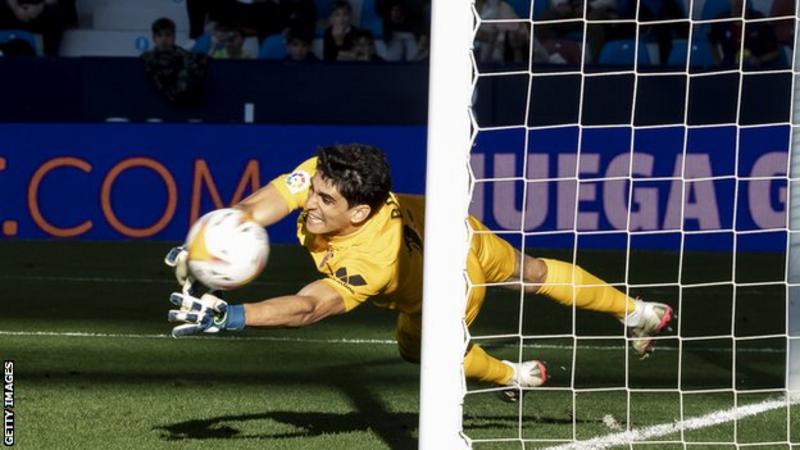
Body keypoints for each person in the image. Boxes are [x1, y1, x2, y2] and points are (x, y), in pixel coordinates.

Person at [166, 144, 674, 401]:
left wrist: (231, 316)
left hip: (447, 288)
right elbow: (270, 200)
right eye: (314, 191)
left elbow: (311, 306)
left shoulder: (371, 260)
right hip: (455, 229)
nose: (311, 203)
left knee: (417, 350)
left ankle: (510, 374)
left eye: (325, 200)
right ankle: (638, 311)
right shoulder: (334, 171)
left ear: (360, 212)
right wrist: (214, 239)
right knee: (533, 271)